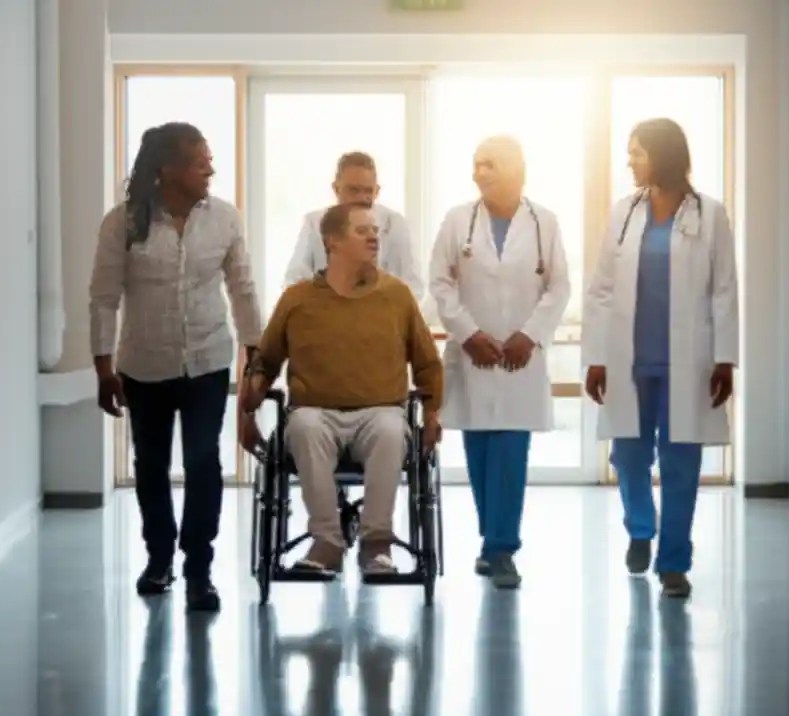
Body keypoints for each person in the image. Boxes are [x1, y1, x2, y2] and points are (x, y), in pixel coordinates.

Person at [89, 122, 262, 612]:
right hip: (144, 364)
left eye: (209, 157)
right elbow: (102, 298)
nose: (210, 167)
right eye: (198, 160)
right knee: (150, 464)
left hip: (208, 359)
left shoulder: (225, 218)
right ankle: (158, 557)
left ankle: (199, 568)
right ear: (166, 169)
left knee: (204, 461)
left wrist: (257, 360)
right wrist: (103, 368)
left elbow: (243, 291)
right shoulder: (123, 222)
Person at [241, 202, 443, 576]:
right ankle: (327, 543)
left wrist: (431, 414)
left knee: (388, 428)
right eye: (362, 230)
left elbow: (428, 363)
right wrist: (247, 409)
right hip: (316, 412)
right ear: (332, 241)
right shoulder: (298, 299)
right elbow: (265, 362)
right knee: (303, 426)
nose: (374, 237)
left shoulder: (396, 295)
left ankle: (377, 545)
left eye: (375, 230)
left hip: (380, 410)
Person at [583, 118, 739, 599]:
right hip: (629, 357)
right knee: (628, 454)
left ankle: (673, 563)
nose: (629, 160)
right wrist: (595, 357)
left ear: (663, 154)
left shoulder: (709, 214)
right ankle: (640, 528)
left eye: (637, 152)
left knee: (680, 462)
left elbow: (724, 289)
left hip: (687, 361)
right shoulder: (624, 213)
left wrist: (725, 358)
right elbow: (602, 287)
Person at [428, 135, 571, 589]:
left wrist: (531, 334)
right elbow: (440, 282)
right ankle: (493, 542)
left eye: (488, 164)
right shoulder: (457, 221)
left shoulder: (544, 222)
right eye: (475, 164)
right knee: (481, 452)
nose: (479, 172)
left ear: (515, 167)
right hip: (474, 354)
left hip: (519, 356)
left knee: (511, 449)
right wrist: (468, 334)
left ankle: (501, 548)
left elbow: (559, 286)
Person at [283, 151, 424, 299]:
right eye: (354, 190)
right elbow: (295, 279)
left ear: (377, 190)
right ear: (336, 189)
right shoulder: (314, 223)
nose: (362, 198)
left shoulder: (394, 224)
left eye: (368, 191)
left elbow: (413, 284)